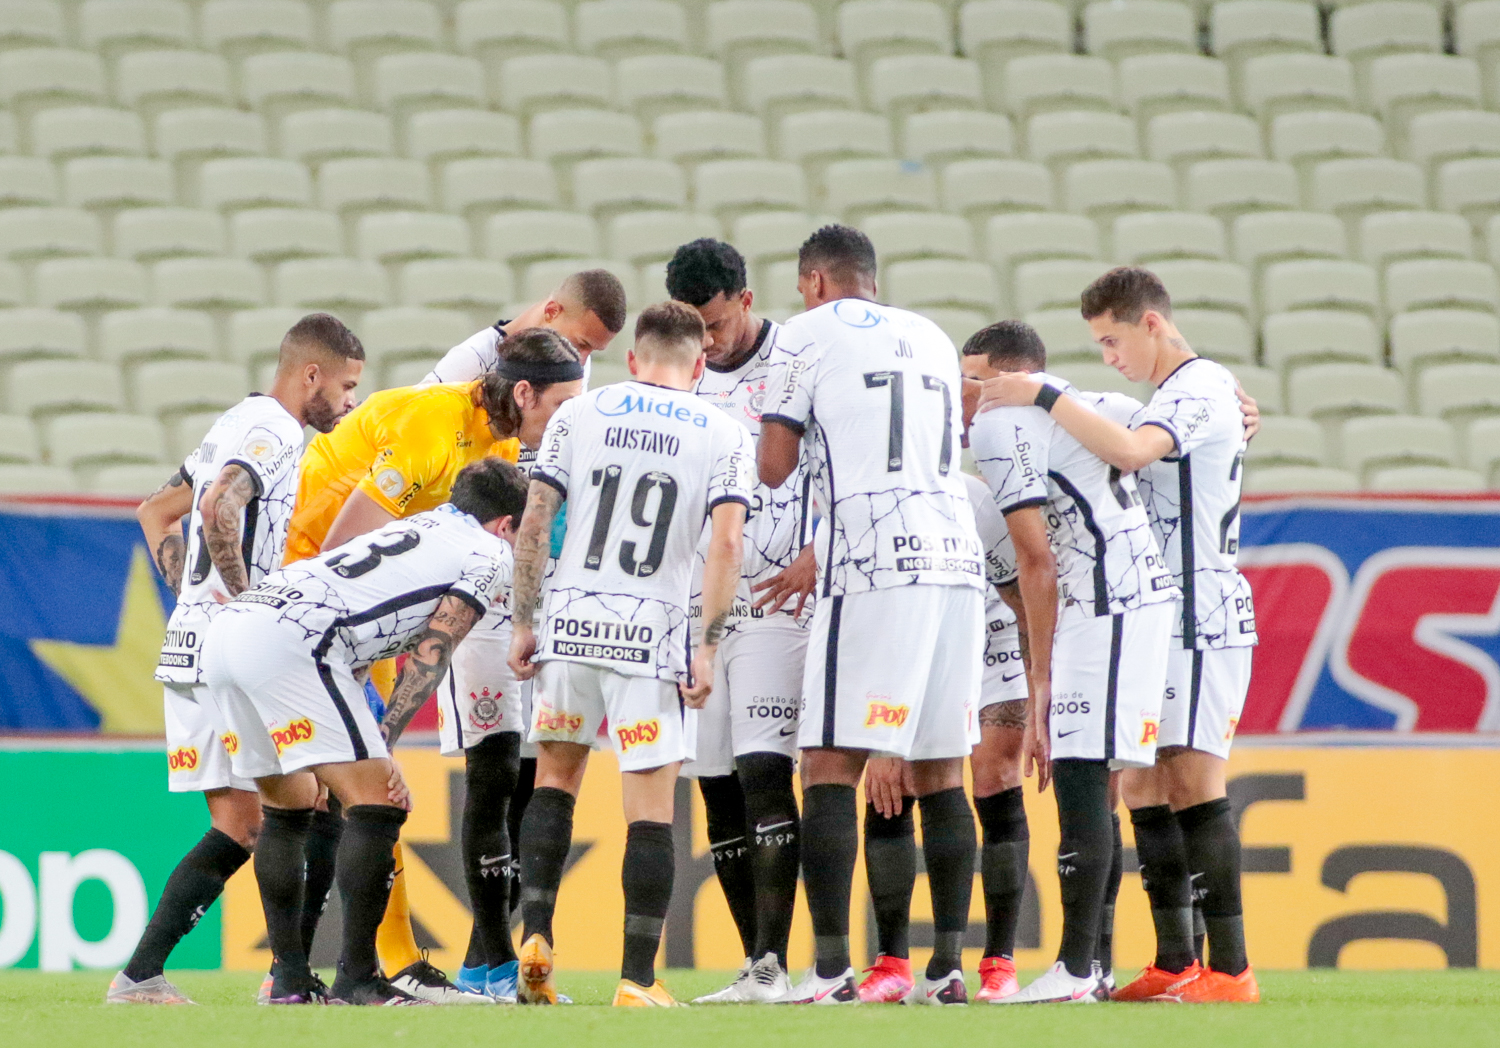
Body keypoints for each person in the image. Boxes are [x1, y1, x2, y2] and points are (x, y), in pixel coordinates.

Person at [277, 327, 584, 1005]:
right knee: (325, 794)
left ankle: (331, 968)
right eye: (563, 405)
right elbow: (339, 546)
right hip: (309, 594)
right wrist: (358, 682)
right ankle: (307, 969)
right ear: (524, 393)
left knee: (347, 795)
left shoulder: (501, 443)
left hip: (355, 617)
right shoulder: (432, 426)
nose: (569, 422)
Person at [979, 268, 1260, 1004]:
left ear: (1152, 324)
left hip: (1200, 604)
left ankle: (1232, 968)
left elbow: (1133, 454)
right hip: (1157, 608)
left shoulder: (1199, 386)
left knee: (1193, 777)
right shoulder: (1172, 397)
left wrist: (1043, 394)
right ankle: (1175, 959)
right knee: (1141, 782)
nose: (1109, 356)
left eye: (1112, 340)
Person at [106, 315, 365, 1005]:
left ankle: (144, 976)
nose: (349, 402)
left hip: (192, 646)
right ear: (311, 374)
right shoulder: (274, 432)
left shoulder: (233, 423)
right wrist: (249, 607)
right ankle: (289, 979)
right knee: (314, 798)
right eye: (345, 387)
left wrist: (194, 597)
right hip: (234, 648)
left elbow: (155, 512)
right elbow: (220, 505)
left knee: (248, 823)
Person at [758, 225, 985, 1007]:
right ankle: (947, 969)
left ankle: (829, 972)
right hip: (954, 553)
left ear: (814, 281)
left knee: (827, 760)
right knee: (940, 768)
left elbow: (774, 467)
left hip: (872, 556)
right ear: (872, 281)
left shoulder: (803, 334)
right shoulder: (933, 336)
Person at [203, 459, 527, 1005]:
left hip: (234, 629)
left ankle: (288, 982)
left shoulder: (420, 524)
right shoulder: (490, 552)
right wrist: (385, 741)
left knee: (286, 809)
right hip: (295, 640)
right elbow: (435, 647)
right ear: (505, 524)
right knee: (379, 803)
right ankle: (358, 976)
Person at [507, 302, 756, 1007]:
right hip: (650, 635)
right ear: (700, 364)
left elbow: (535, 520)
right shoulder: (724, 432)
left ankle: (537, 935)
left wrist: (525, 620)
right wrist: (707, 646)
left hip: (571, 623)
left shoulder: (578, 414)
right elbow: (727, 544)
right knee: (649, 810)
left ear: (633, 359)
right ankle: (637, 978)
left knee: (554, 781)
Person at [967, 320, 1179, 1004]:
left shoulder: (998, 425)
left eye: (972, 379)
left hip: (1106, 602)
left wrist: (1041, 677)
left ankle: (1076, 969)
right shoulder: (1093, 404)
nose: (961, 393)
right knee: (1098, 783)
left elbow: (1035, 561)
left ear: (1007, 379)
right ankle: (1096, 965)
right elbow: (1174, 443)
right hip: (1130, 598)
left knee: (1082, 776)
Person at [857, 359, 1036, 1004]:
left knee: (994, 775)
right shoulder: (867, 501)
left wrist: (1039, 690)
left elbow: (1020, 595)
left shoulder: (977, 499)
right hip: (909, 644)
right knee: (894, 783)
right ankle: (895, 962)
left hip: (984, 638)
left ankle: (992, 961)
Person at [666, 239, 809, 1003]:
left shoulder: (796, 362)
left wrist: (822, 548)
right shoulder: (677, 379)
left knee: (763, 772)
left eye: (716, 325)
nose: (708, 343)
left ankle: (774, 962)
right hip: (697, 607)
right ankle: (756, 965)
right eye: (694, 329)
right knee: (715, 784)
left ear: (746, 301)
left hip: (776, 598)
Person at [421, 269, 627, 387]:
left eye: (592, 351)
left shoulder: (576, 363)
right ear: (552, 311)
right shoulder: (475, 359)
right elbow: (413, 421)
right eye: (581, 344)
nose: (581, 360)